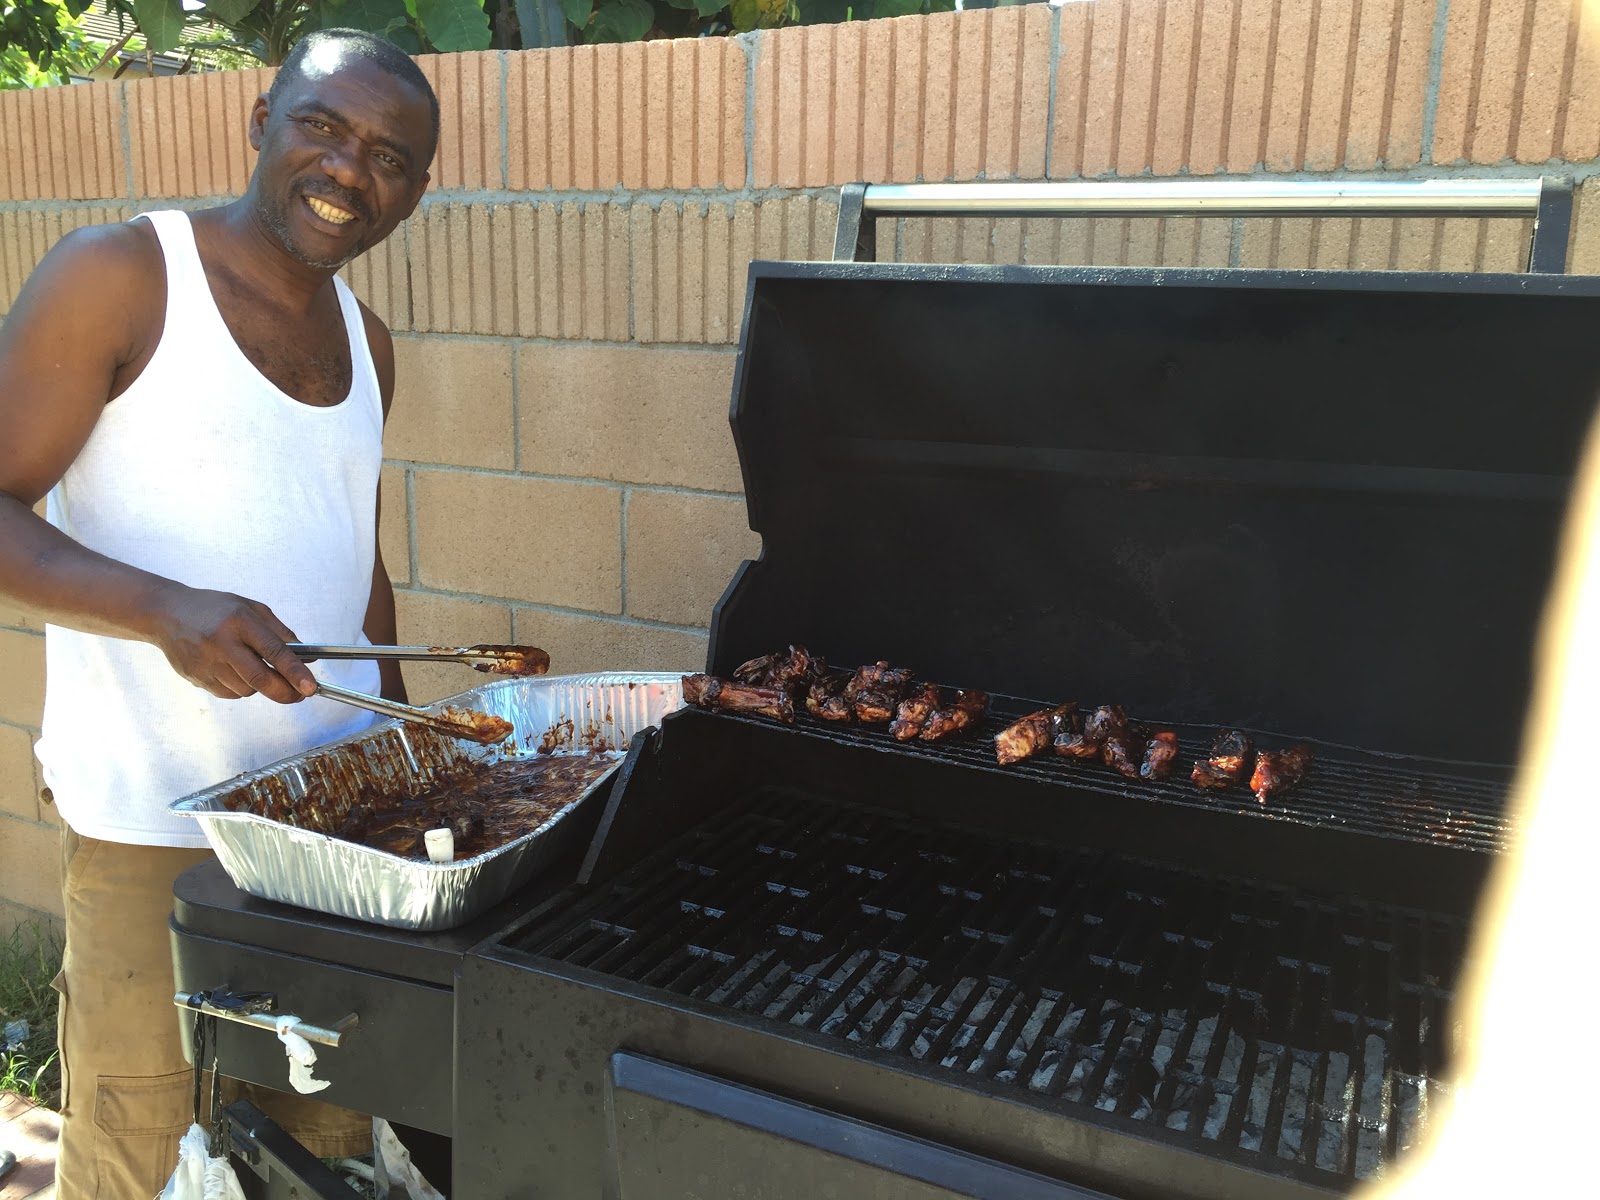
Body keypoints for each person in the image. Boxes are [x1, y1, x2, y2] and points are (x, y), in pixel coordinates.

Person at [0, 28, 435, 1198]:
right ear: (259, 122)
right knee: (148, 1154)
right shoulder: (123, 276)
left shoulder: (369, 345)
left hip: (331, 845)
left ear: (414, 191)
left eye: (391, 156)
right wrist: (165, 612)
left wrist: (411, 751)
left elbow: (355, 557)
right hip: (156, 834)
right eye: (324, 128)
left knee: (326, 1150)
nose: (352, 170)